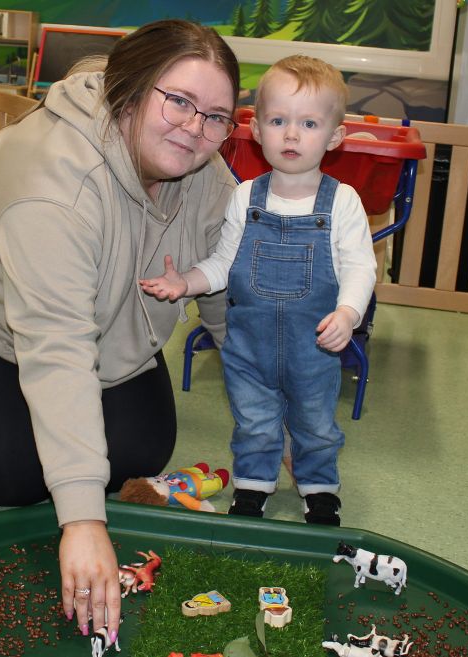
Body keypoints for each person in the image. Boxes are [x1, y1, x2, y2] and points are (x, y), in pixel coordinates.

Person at [0, 19, 240, 643]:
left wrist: (270, 412)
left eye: (217, 116)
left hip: (101, 319)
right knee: (4, 476)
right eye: (180, 101)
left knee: (141, 452)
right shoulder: (52, 188)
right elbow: (56, 346)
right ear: (131, 93)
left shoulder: (210, 179)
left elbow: (222, 298)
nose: (195, 129)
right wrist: (82, 524)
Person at [139, 55, 377, 526]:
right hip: (248, 346)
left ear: (333, 137)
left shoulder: (343, 201)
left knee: (315, 424)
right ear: (256, 131)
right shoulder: (246, 196)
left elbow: (360, 267)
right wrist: (186, 282)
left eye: (308, 123)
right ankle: (253, 484)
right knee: (253, 420)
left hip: (315, 347)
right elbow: (225, 263)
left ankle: (319, 487)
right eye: (278, 121)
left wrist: (348, 314)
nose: (291, 135)